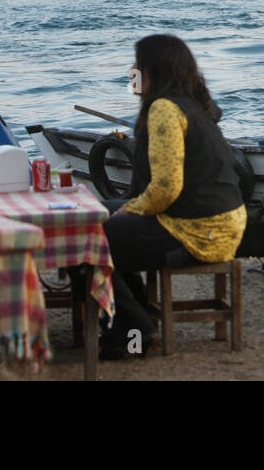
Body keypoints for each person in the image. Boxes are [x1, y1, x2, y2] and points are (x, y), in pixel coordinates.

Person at [100, 35, 247, 358]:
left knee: (89, 240)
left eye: (137, 66)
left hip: (198, 230)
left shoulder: (165, 109)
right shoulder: (191, 106)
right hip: (219, 221)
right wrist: (127, 209)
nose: (131, 72)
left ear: (155, 71)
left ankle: (133, 330)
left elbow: (165, 189)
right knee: (98, 215)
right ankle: (139, 316)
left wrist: (130, 209)